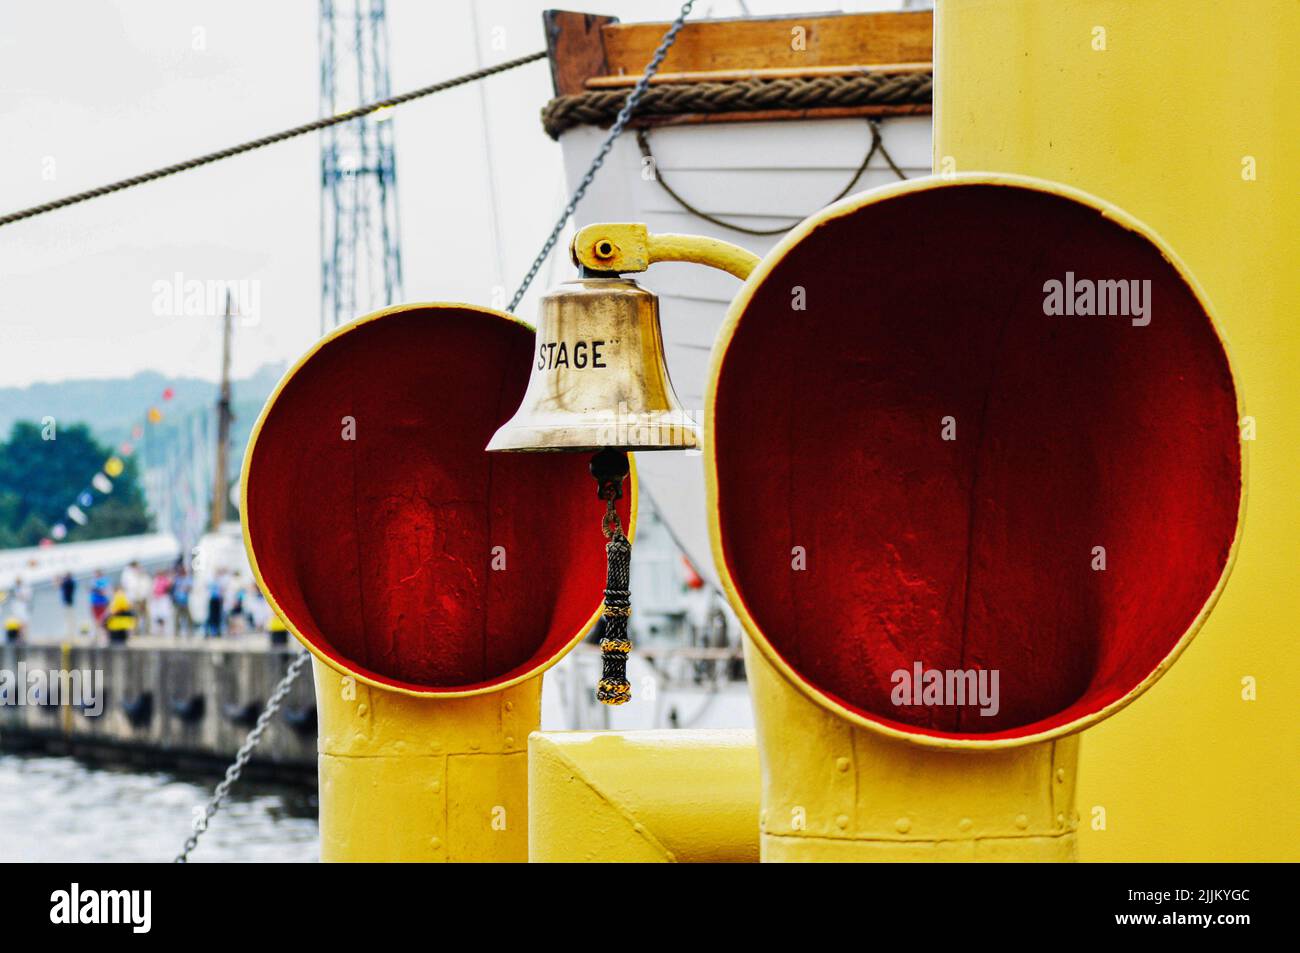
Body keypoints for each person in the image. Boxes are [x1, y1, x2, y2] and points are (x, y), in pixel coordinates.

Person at [121, 561, 151, 635]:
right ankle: (135, 631)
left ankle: (147, 631)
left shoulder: (143, 574)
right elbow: (127, 587)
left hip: (143, 598)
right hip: (134, 599)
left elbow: (147, 585)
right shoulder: (127, 575)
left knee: (146, 615)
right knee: (135, 615)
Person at [171, 564, 194, 637]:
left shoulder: (188, 579)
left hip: (185, 601)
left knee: (189, 617)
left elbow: (190, 588)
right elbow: (173, 589)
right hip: (178, 602)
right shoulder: (177, 579)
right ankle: (176, 632)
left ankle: (190, 632)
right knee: (177, 618)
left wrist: (185, 588)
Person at [150, 569, 174, 636]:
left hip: (163, 599)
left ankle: (164, 630)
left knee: (164, 615)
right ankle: (158, 630)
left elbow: (169, 588)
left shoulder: (165, 580)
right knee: (157, 616)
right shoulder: (155, 581)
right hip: (157, 600)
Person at [205, 570, 225, 638]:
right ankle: (209, 632)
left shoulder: (220, 582)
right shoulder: (212, 582)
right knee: (212, 617)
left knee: (217, 617)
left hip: (218, 601)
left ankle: (217, 632)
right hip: (213, 600)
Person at [59, 572, 77, 637]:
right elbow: (61, 585)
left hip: (68, 603)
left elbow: (61, 584)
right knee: (69, 619)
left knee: (69, 619)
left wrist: (61, 579)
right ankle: (70, 633)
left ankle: (70, 633)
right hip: (68, 603)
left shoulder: (69, 582)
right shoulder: (70, 582)